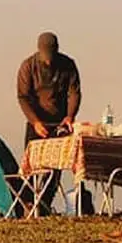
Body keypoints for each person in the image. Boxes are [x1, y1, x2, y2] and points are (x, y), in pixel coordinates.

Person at [16, 31, 87, 214]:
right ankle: (28, 205)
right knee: (33, 165)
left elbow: (74, 93)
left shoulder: (67, 65)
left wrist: (70, 116)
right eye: (45, 56)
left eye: (51, 55)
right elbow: (23, 97)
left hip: (60, 121)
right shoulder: (28, 66)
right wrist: (35, 121)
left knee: (56, 166)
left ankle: (45, 204)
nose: (48, 61)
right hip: (36, 121)